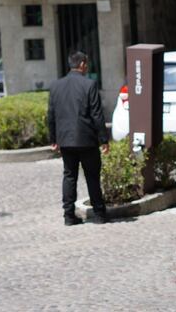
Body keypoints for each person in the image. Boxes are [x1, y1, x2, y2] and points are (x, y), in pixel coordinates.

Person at [48, 51, 110, 226]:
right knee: (92, 176)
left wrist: (53, 139)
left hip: (65, 140)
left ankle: (68, 215)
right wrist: (103, 139)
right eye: (86, 64)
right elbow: (97, 114)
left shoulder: (56, 86)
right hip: (87, 139)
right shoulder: (89, 84)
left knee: (69, 176)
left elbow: (51, 115)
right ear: (82, 64)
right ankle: (99, 214)